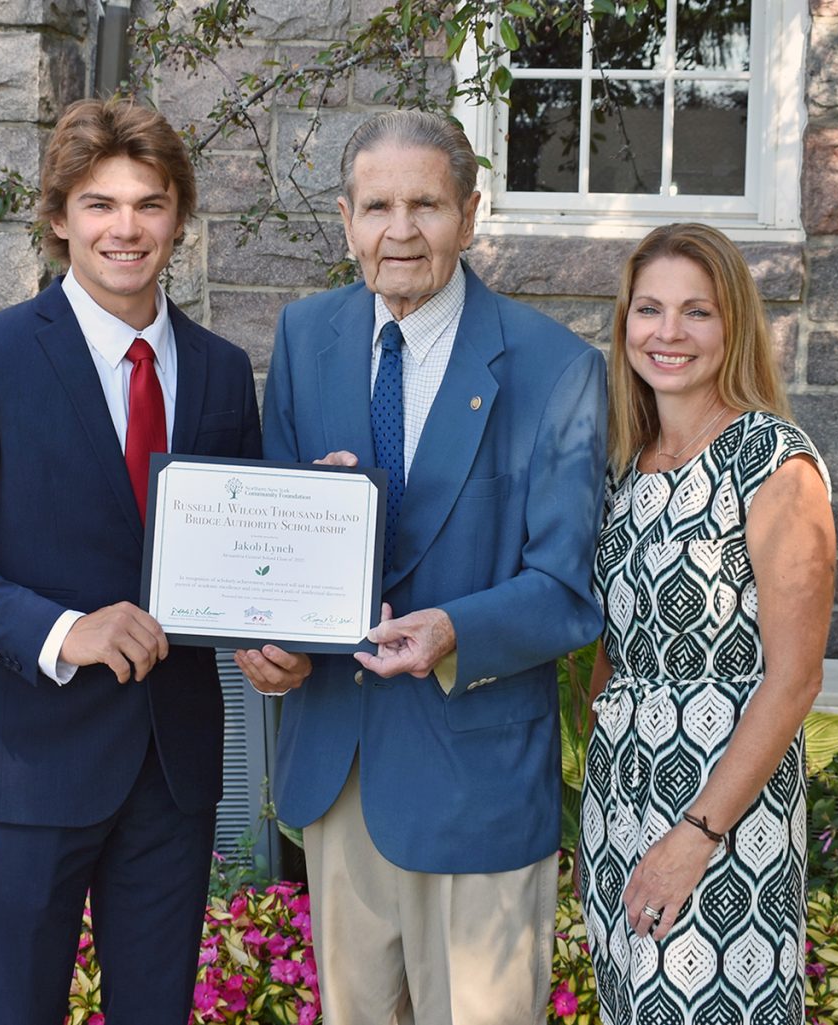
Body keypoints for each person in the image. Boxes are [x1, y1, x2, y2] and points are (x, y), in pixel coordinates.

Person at [0, 97, 305, 1025]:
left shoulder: (224, 368)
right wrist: (66, 630)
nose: (126, 228)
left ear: (179, 219)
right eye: (100, 204)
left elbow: (240, 553)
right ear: (60, 216)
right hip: (32, 762)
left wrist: (284, 624)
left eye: (149, 204)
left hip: (176, 764)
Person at [261, 109, 608, 1024]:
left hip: (476, 783)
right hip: (339, 771)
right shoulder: (307, 338)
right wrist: (275, 644)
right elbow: (277, 554)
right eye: (377, 206)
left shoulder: (554, 367)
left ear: (470, 212)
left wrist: (455, 628)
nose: (400, 230)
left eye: (426, 204)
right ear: (346, 220)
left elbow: (570, 591)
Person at [578, 222, 836, 1024]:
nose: (668, 333)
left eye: (697, 311)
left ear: (734, 326)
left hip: (722, 811)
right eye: (649, 309)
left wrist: (696, 833)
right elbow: (614, 648)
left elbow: (794, 677)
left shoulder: (773, 461)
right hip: (620, 802)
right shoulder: (628, 465)